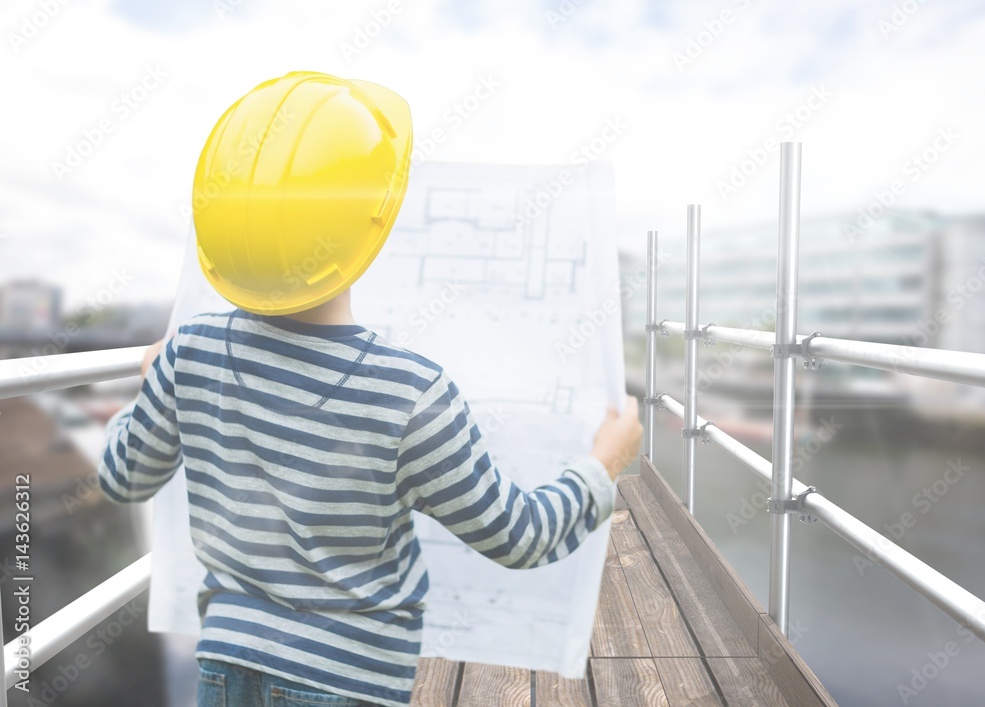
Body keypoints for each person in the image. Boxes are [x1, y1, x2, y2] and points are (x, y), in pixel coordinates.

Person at [98, 71, 642, 707]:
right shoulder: (411, 392)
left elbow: (122, 478)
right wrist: (604, 463)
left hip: (225, 666)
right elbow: (518, 535)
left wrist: (151, 385)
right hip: (347, 684)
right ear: (371, 231)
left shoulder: (189, 353)